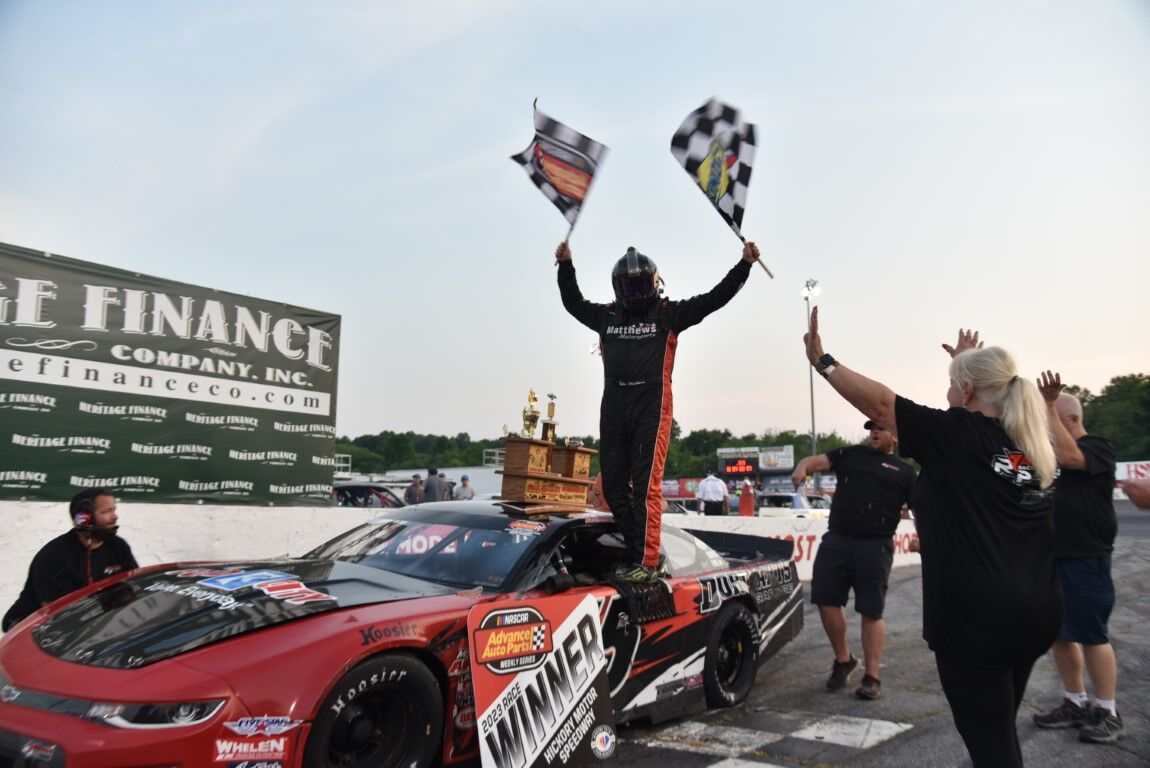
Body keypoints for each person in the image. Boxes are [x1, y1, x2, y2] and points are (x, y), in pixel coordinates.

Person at [802, 314, 1059, 768]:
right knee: (997, 732)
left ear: (965, 393)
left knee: (993, 748)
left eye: (954, 384)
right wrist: (965, 364)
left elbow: (882, 406)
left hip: (979, 621)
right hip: (1034, 613)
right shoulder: (1022, 450)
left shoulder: (961, 436)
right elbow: (986, 507)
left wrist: (823, 361)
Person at [556, 239, 760, 582]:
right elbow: (572, 302)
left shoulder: (667, 314)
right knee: (612, 489)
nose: (634, 291)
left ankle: (647, 563)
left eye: (640, 284)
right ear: (617, 288)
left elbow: (713, 299)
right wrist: (566, 265)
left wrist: (744, 265)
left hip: (651, 407)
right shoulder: (606, 315)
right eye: (627, 285)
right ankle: (640, 550)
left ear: (654, 283)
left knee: (647, 487)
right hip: (614, 405)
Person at [790, 420, 916, 700]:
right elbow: (815, 461)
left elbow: (924, 509)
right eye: (872, 428)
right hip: (837, 540)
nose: (874, 432)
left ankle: (872, 676)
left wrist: (924, 538)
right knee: (825, 600)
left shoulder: (906, 472)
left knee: (871, 610)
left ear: (894, 435)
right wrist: (802, 466)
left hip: (875, 546)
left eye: (881, 428)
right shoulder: (851, 454)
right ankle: (844, 659)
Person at [1032, 373, 1125, 743]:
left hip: (1087, 558)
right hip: (1054, 558)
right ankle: (1075, 701)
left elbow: (1071, 456)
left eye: (1049, 421)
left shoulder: (1097, 447)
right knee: (1060, 634)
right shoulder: (1049, 459)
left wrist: (1048, 406)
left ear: (1070, 419)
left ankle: (1108, 710)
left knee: (1092, 635)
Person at [3, 488, 138, 632]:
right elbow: (59, 617)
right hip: (30, 629)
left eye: (114, 510)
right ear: (85, 518)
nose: (115, 516)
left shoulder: (118, 546)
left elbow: (133, 588)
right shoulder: (53, 557)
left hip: (90, 623)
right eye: (107, 511)